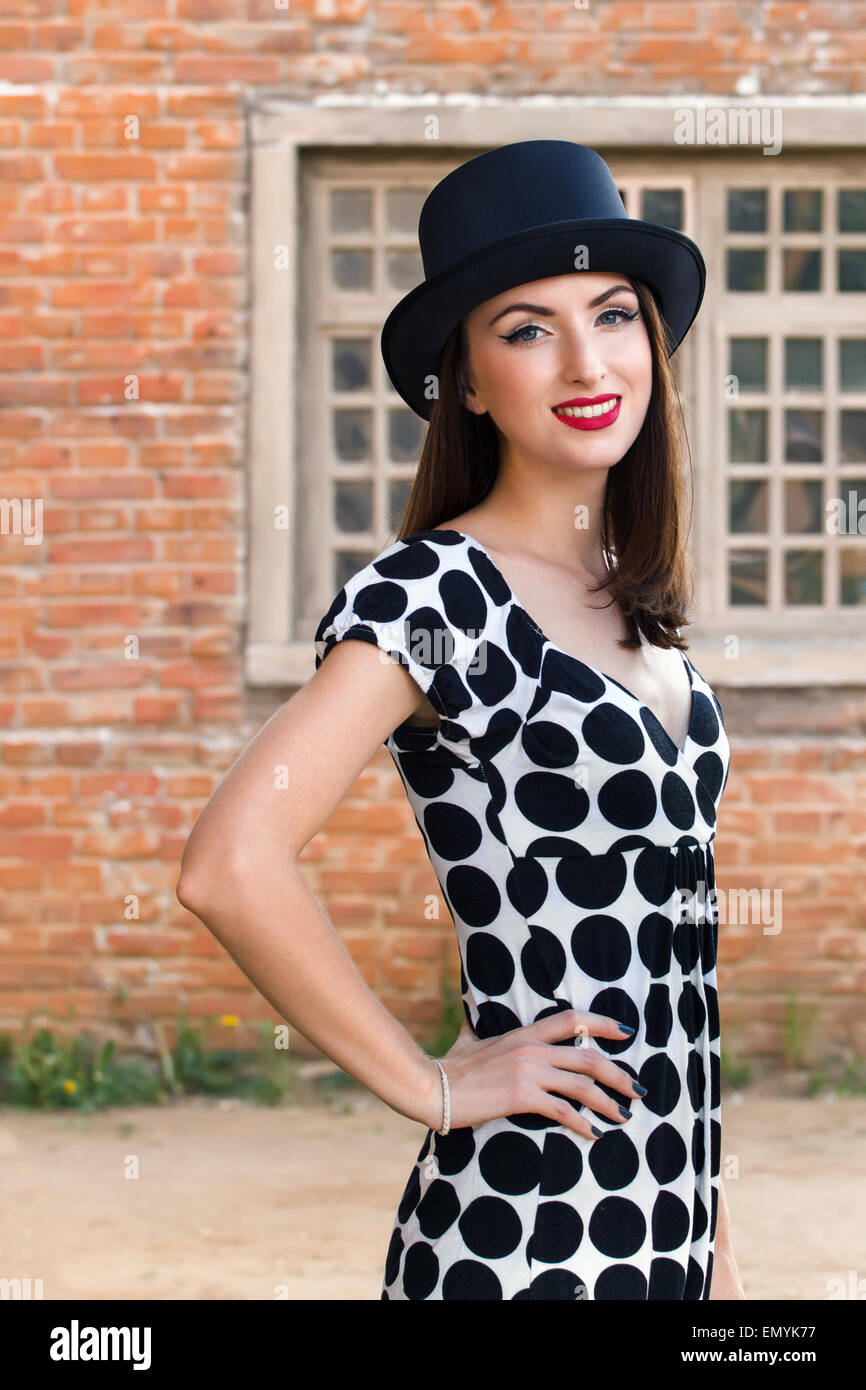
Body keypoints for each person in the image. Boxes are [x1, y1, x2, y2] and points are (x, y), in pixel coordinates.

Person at [177, 141, 746, 1301]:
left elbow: (670, 990)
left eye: (613, 315)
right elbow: (230, 864)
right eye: (528, 327)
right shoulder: (440, 595)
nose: (587, 360)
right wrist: (431, 1084)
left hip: (665, 1238)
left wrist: (717, 1269)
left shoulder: (636, 614)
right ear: (469, 381)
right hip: (527, 1238)